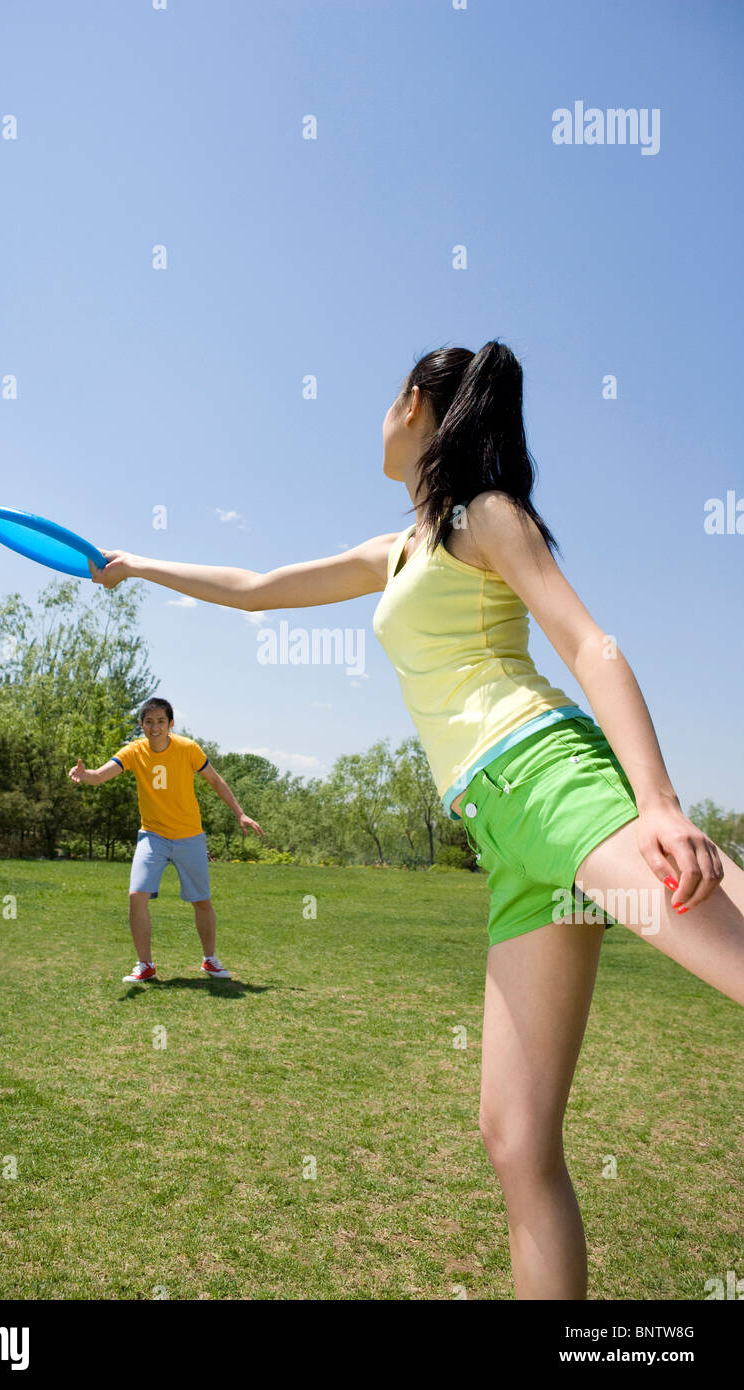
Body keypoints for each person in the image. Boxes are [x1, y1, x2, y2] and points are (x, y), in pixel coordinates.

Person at [84, 339, 743, 1300]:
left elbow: (590, 642)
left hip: (550, 783)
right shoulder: (398, 549)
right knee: (516, 1142)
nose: (378, 416)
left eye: (388, 398)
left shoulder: (486, 515)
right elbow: (261, 588)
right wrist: (135, 565)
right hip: (504, 839)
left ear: (419, 409)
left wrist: (659, 801)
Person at [69, 695, 263, 983]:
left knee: (201, 901)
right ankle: (145, 965)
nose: (155, 727)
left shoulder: (188, 749)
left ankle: (210, 960)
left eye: (161, 721)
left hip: (189, 836)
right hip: (152, 836)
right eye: (149, 722)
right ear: (141, 725)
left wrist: (240, 813)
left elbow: (215, 780)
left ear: (171, 724)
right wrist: (85, 775)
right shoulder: (134, 751)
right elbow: (100, 776)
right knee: (137, 896)